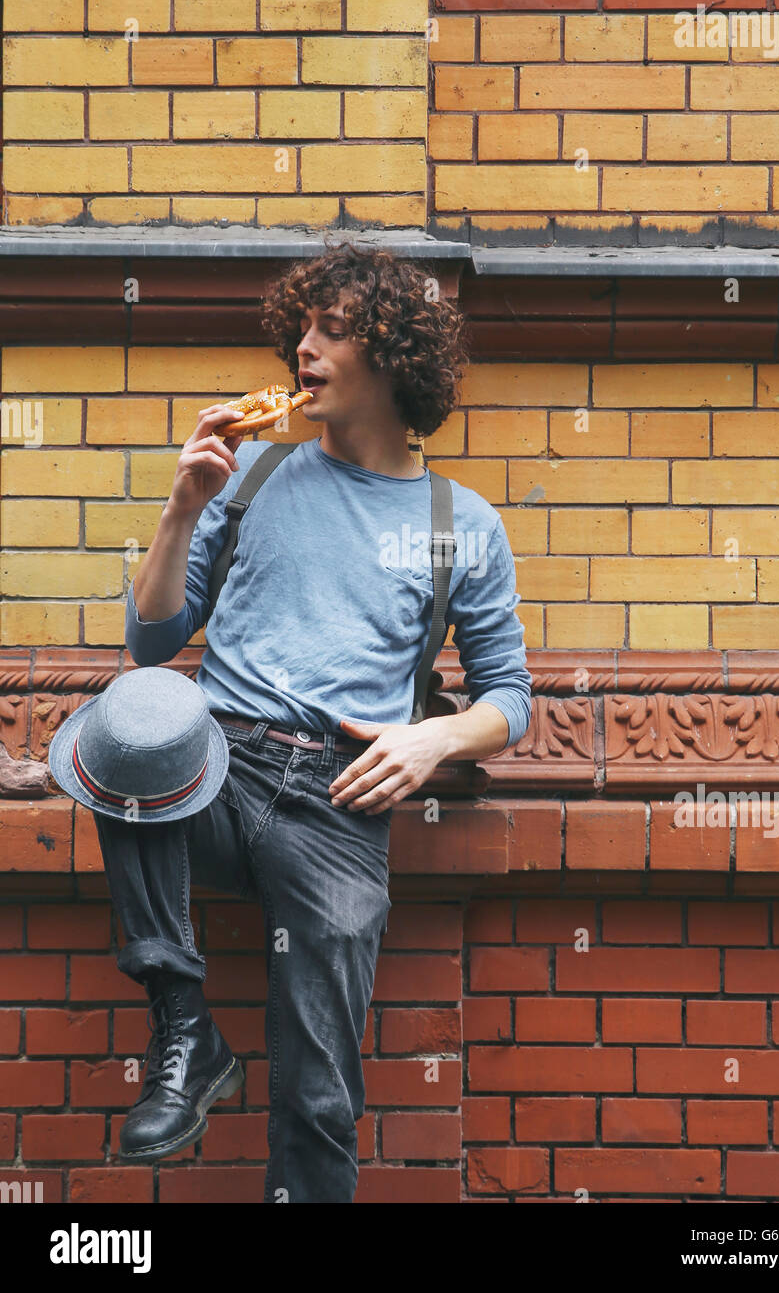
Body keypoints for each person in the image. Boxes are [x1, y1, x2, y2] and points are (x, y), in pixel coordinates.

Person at [94, 240, 533, 1203]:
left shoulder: (460, 522)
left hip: (340, 800)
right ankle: (185, 1029)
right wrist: (181, 507)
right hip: (216, 765)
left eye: (332, 331)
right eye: (301, 329)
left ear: (393, 354)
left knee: (321, 1097)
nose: (304, 349)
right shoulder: (251, 478)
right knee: (126, 722)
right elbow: (150, 642)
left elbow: (511, 699)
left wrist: (431, 738)